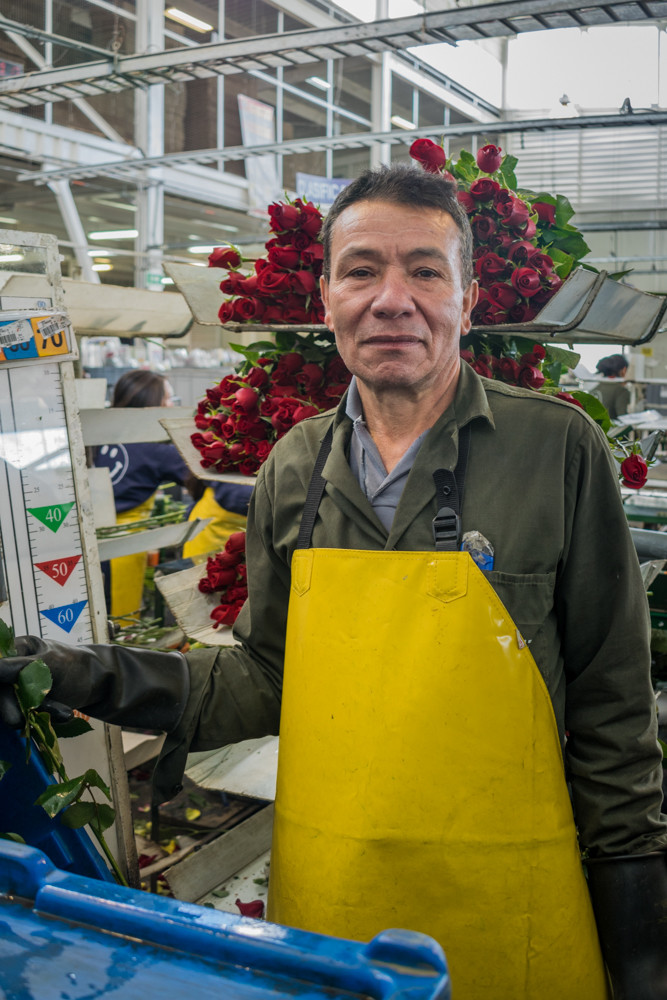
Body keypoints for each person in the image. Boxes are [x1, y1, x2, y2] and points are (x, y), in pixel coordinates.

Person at [1, 165, 666, 999]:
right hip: (331, 908)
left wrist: (640, 945)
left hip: (512, 902)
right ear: (325, 301)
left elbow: (613, 706)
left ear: (466, 300)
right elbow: (262, 679)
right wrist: (69, 671)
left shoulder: (557, 450)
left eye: (425, 270)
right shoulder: (293, 465)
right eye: (361, 270)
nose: (393, 298)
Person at [94, 370, 190, 617]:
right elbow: (199, 479)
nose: (170, 406)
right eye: (167, 400)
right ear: (152, 404)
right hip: (121, 550)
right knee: (117, 622)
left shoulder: (96, 434)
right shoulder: (156, 452)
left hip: (85, 541)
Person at [593, 354, 631, 419]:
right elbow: (623, 418)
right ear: (624, 370)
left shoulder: (595, 388)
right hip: (611, 429)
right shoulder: (621, 390)